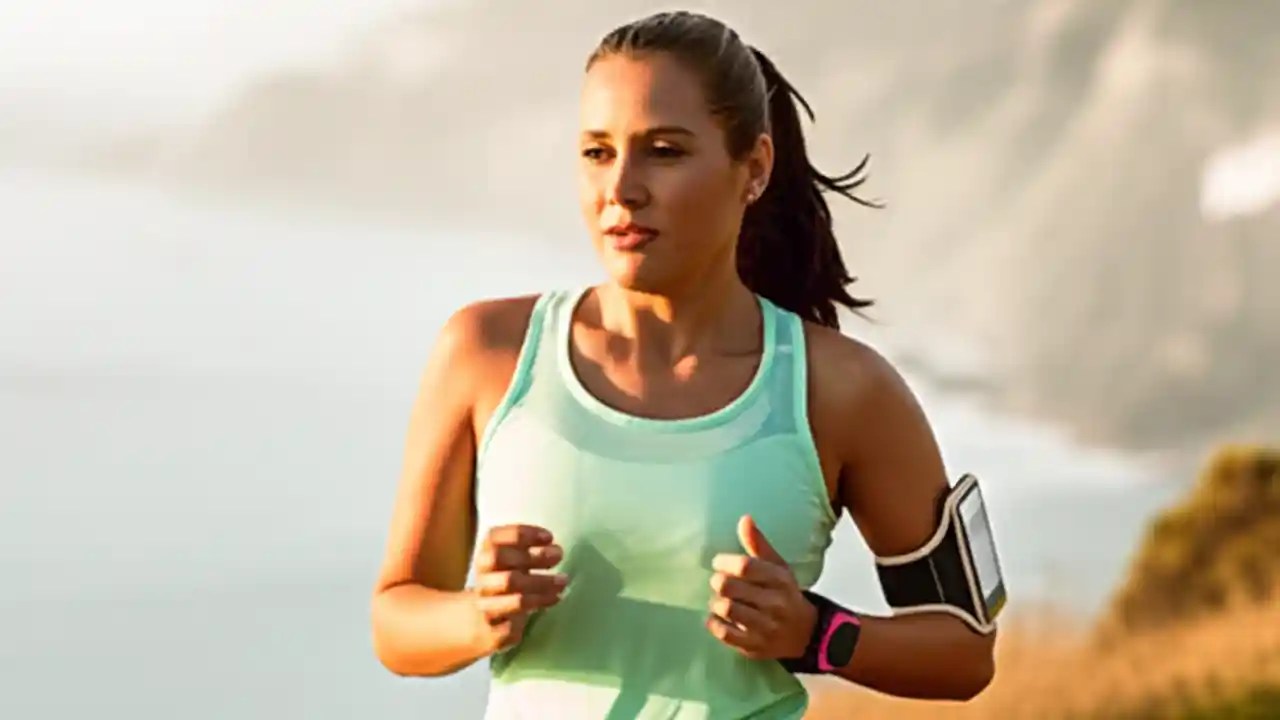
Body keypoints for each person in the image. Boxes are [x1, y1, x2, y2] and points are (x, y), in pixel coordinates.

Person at [371, 10, 997, 719]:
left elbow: (966, 651)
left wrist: (817, 634)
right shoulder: (485, 352)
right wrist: (476, 616)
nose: (622, 188)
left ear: (753, 167)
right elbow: (396, 619)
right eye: (597, 152)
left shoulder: (842, 389)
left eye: (663, 151)